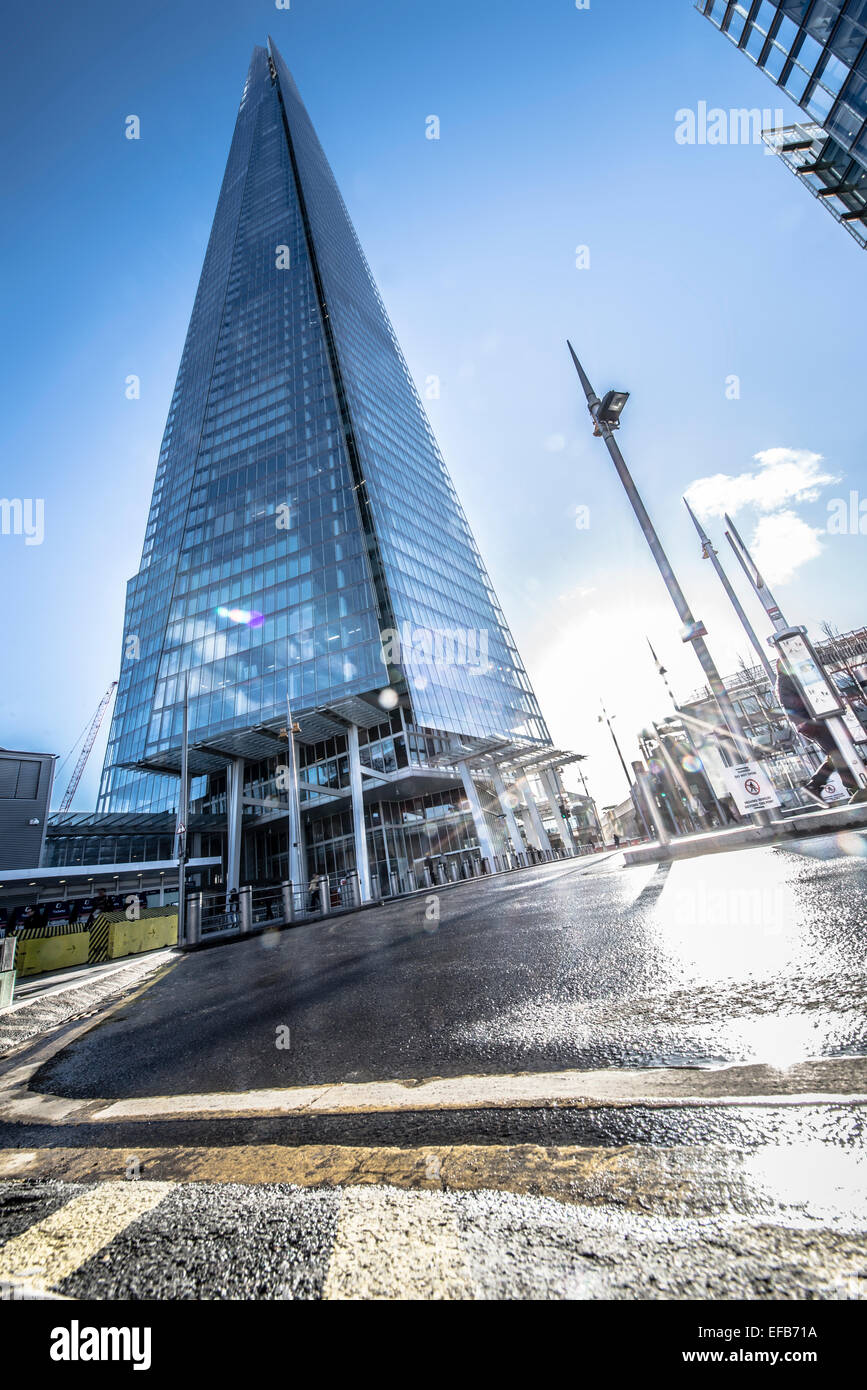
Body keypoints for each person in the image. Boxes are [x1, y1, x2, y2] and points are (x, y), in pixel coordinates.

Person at [776, 657, 867, 805]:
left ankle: (815, 787)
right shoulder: (788, 679)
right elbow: (797, 702)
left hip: (813, 721)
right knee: (839, 753)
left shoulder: (786, 680)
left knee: (838, 752)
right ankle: (855, 788)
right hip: (814, 721)